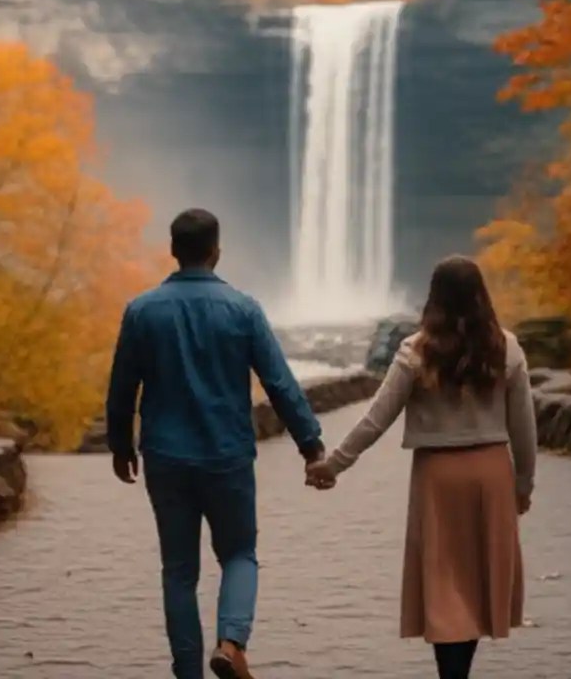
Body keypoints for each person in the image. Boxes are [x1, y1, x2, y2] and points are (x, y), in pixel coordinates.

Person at [105, 208, 327, 679]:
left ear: (173, 251)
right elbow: (279, 383)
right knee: (239, 554)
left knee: (179, 570)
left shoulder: (142, 311)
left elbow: (123, 386)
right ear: (216, 252)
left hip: (165, 456)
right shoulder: (243, 309)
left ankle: (188, 671)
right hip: (226, 456)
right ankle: (231, 643)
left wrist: (121, 445)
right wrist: (311, 444)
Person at [305, 255, 537, 679]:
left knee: (445, 586)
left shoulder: (416, 351)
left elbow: (376, 418)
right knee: (477, 584)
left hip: (438, 479)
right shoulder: (507, 348)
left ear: (435, 298)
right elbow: (524, 426)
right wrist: (523, 482)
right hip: (491, 474)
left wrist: (333, 465)